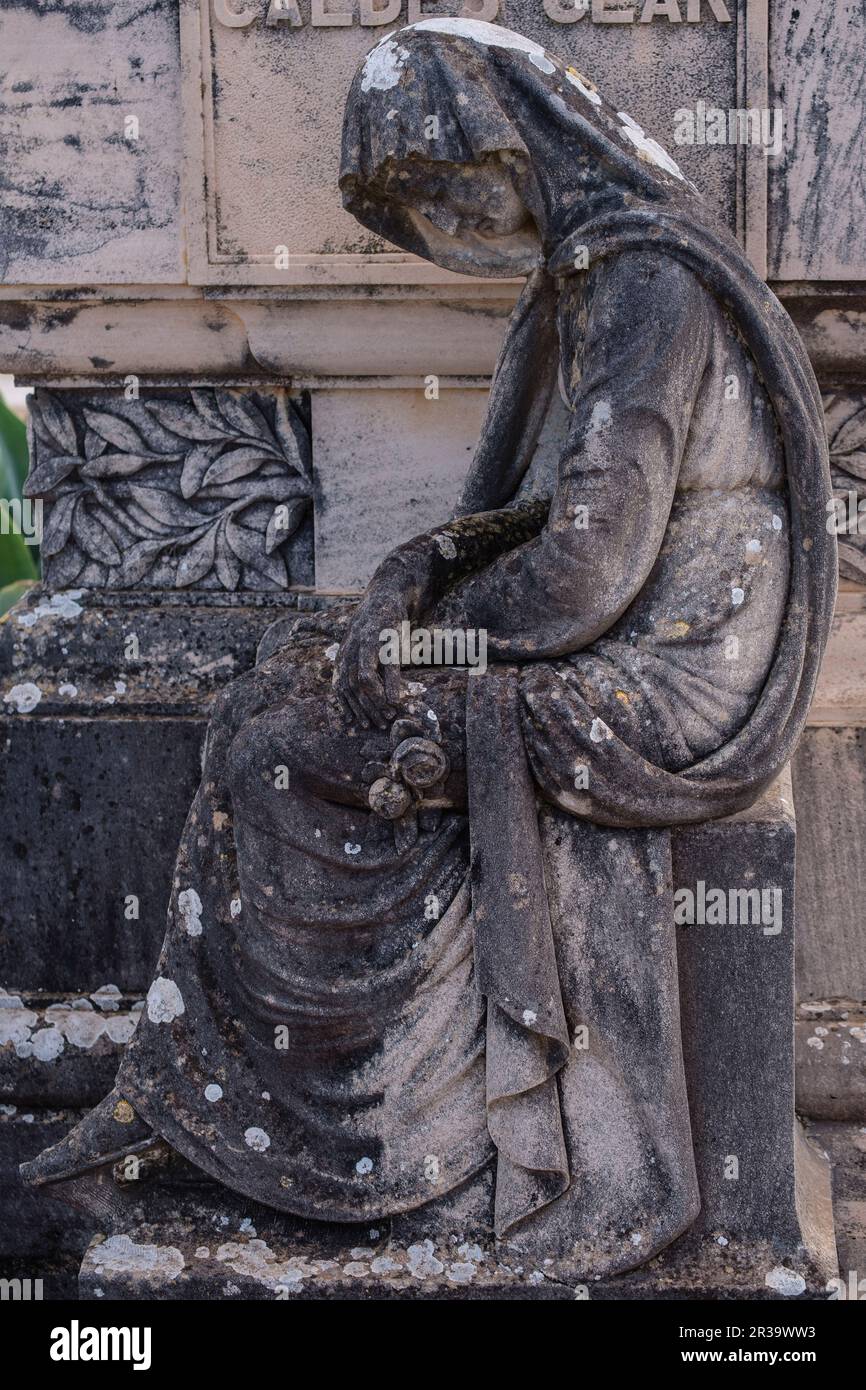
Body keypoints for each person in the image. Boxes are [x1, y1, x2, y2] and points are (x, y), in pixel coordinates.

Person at [23, 19, 835, 1277]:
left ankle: (377, 1150)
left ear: (514, 141)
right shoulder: (595, 272)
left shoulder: (640, 281)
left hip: (673, 672)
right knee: (266, 706)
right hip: (625, 629)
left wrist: (430, 649)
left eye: (446, 183)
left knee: (293, 742)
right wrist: (422, 584)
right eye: (417, 205)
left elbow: (590, 564)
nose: (449, 225)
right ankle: (221, 1114)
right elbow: (551, 528)